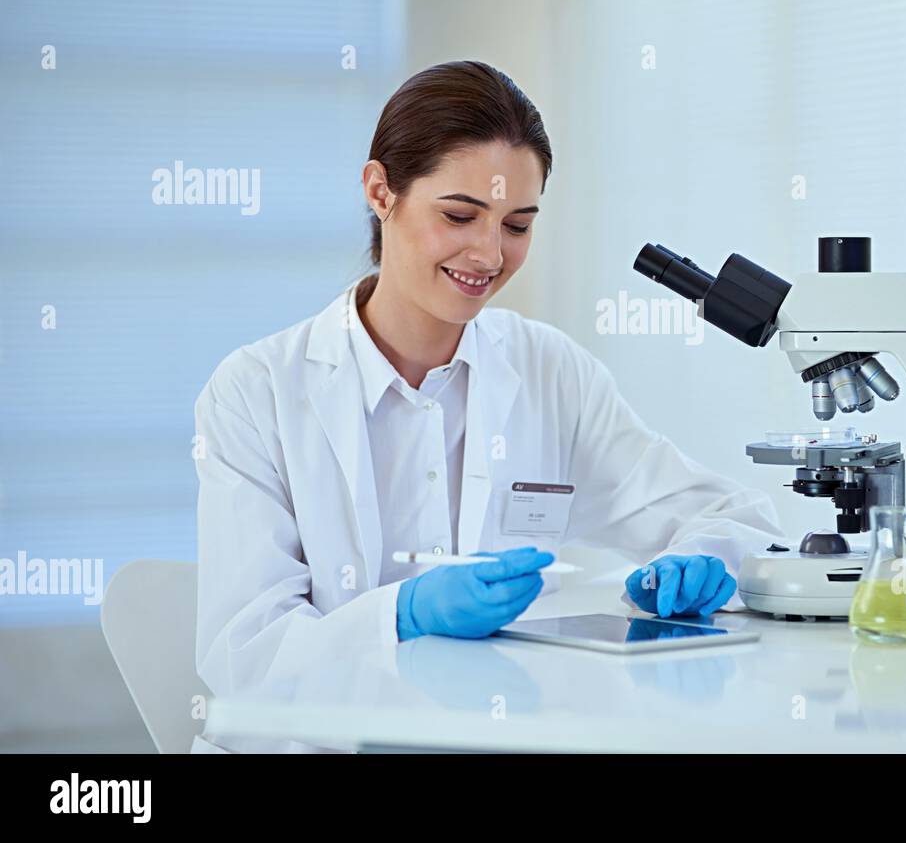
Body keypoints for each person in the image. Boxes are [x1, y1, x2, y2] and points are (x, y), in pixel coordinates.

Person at [193, 60, 783, 730]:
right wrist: (402, 613)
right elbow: (245, 654)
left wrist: (706, 558)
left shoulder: (550, 372)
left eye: (517, 224)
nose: (488, 253)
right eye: (460, 214)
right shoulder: (257, 391)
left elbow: (735, 516)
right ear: (380, 191)